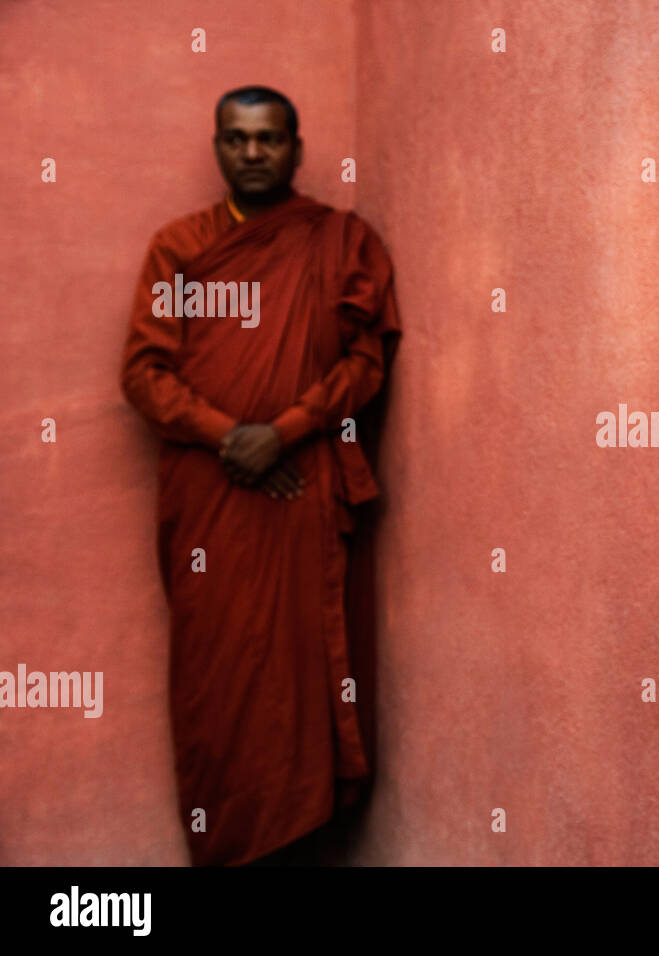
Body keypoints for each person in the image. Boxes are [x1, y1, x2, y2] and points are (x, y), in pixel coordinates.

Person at [120, 85, 401, 866]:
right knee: (219, 671)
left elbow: (365, 358)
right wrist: (230, 440)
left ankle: (301, 841)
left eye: (269, 139)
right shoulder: (180, 247)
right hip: (209, 496)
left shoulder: (339, 242)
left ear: (297, 148)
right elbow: (143, 373)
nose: (252, 153)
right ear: (217, 146)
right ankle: (228, 842)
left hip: (301, 486)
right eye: (237, 139)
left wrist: (282, 434)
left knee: (301, 673)